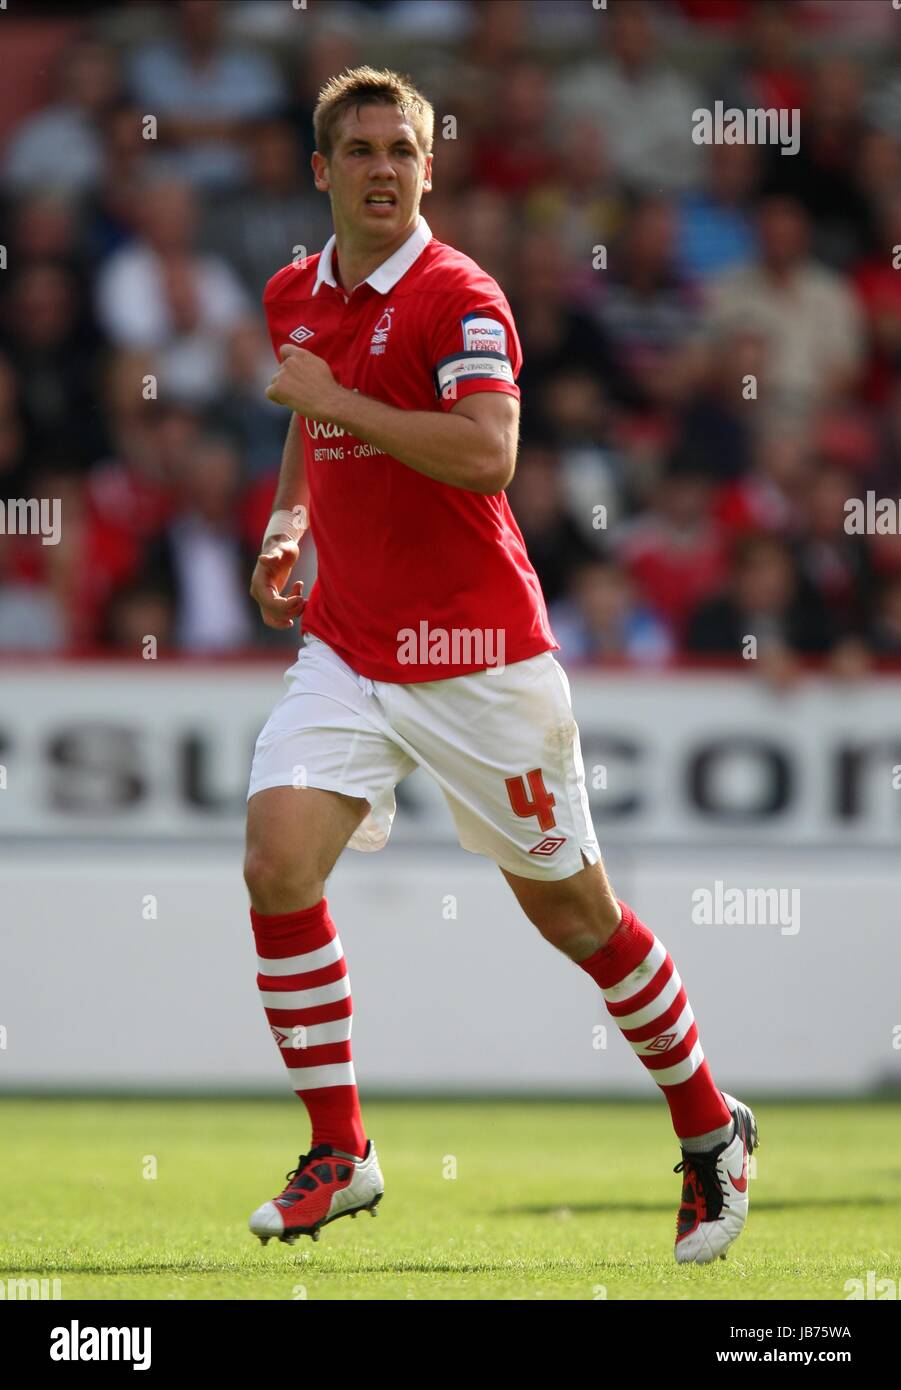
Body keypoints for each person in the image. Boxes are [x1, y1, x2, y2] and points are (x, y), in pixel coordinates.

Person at [242, 67, 757, 1265]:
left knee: (576, 915)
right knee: (275, 861)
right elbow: (308, 421)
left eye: (402, 151)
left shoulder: (457, 296)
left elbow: (487, 456)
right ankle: (342, 1149)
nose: (382, 169)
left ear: (430, 169)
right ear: (321, 170)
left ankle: (708, 1127)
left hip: (479, 659)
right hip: (352, 649)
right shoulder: (292, 295)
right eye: (359, 150)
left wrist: (334, 403)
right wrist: (288, 524)